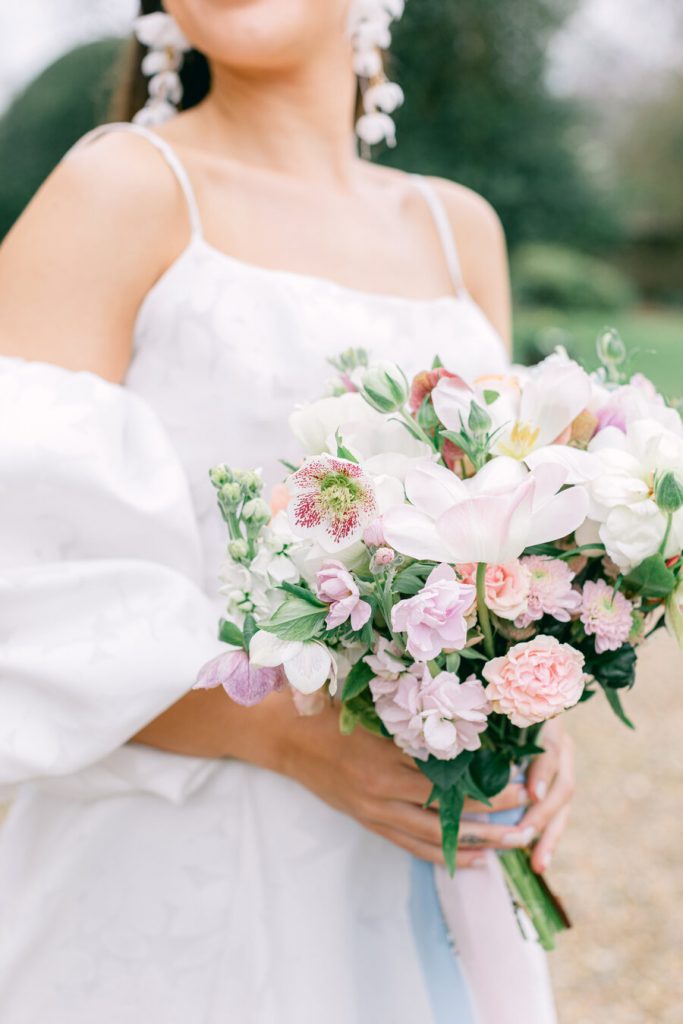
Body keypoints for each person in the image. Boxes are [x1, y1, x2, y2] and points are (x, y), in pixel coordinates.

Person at [0, 2, 574, 1021]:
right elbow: (20, 583)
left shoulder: (457, 229)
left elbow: (499, 528)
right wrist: (275, 733)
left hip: (430, 863)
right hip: (185, 865)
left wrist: (525, 705)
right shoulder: (120, 187)